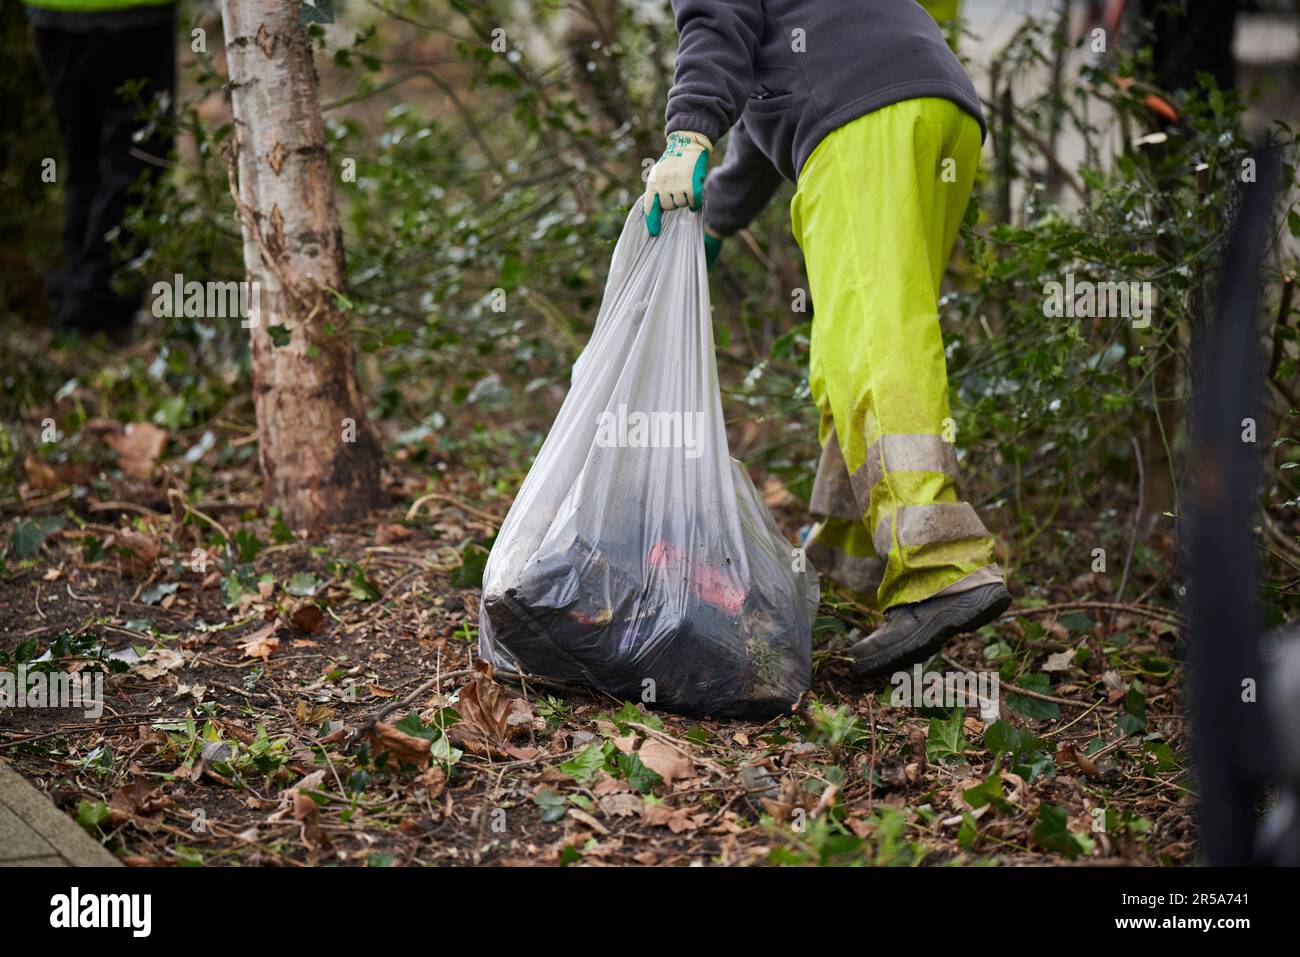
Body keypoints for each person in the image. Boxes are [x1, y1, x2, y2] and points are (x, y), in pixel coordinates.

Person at [641, 0, 1010, 676]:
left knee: (873, 341)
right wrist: (715, 225)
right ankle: (850, 563)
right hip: (937, 110)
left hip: (860, 120)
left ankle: (938, 563)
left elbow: (716, 23)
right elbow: (760, 126)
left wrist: (687, 134)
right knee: (856, 342)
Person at [23, 0, 176, 337]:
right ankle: (99, 308)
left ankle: (78, 293)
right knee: (137, 157)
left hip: (53, 12)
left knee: (84, 157)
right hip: (130, 13)